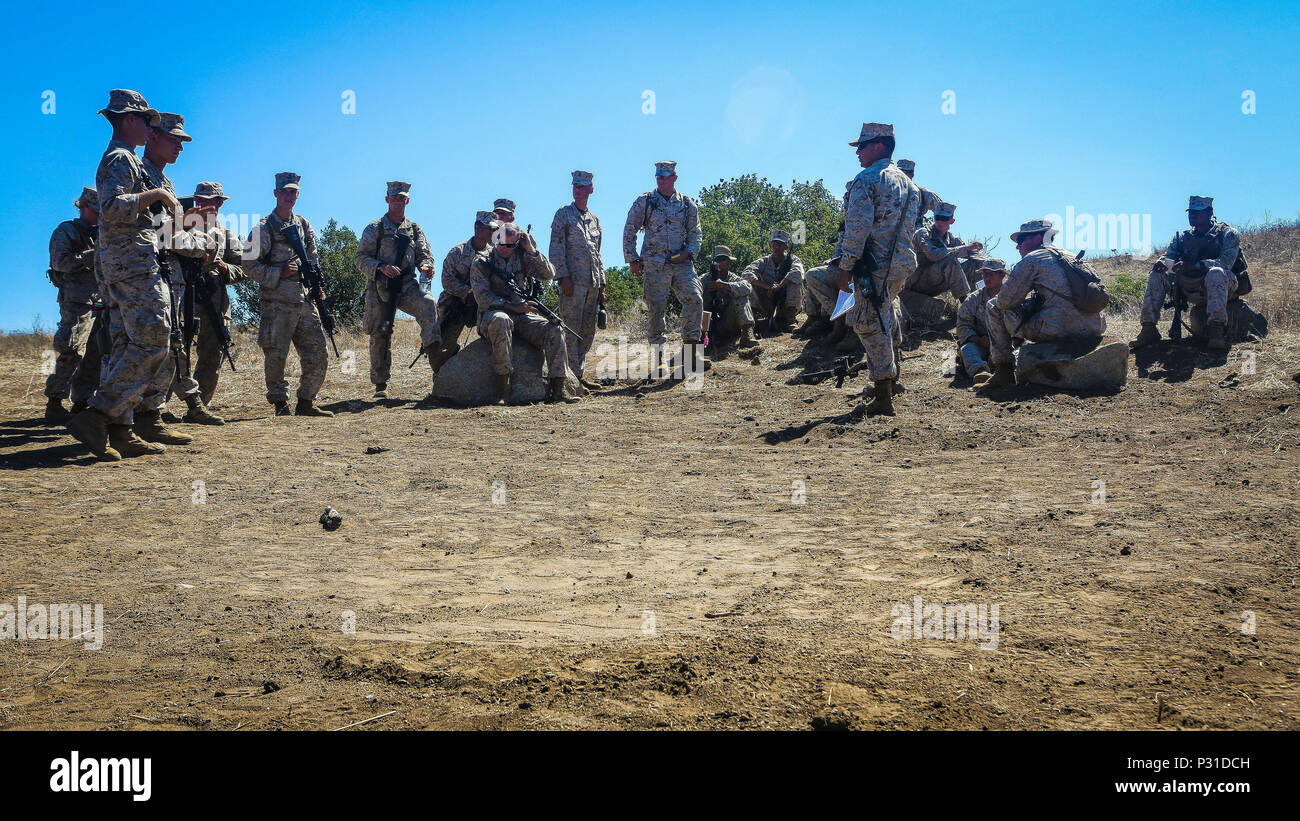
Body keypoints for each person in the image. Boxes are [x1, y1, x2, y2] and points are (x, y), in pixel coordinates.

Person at [67, 90, 186, 461]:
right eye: (146, 120)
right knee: (154, 337)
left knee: (124, 342)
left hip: (122, 265)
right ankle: (98, 414)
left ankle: (120, 429)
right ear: (130, 120)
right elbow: (112, 207)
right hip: (131, 264)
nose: (151, 127)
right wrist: (156, 196)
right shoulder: (121, 158)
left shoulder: (127, 159)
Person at [142, 112, 223, 427]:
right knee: (151, 344)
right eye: (173, 140)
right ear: (152, 136)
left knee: (174, 341)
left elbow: (170, 229)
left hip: (173, 278)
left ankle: (158, 410)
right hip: (147, 274)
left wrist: (193, 229)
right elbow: (160, 233)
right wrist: (198, 242)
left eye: (182, 141)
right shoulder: (142, 175)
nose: (180, 147)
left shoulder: (164, 182)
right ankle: (114, 413)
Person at [835, 122, 920, 416]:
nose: (857, 153)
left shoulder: (867, 179)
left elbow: (856, 230)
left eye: (862, 146)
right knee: (887, 313)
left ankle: (883, 393)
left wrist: (845, 268)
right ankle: (893, 379)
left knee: (868, 322)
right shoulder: (911, 185)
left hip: (874, 267)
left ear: (880, 146)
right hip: (901, 265)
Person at [243, 172, 333, 417]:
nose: (289, 196)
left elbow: (313, 260)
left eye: (293, 192)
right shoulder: (263, 228)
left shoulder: (304, 225)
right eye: (284, 191)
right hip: (277, 302)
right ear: (275, 193)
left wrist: (317, 286)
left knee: (318, 352)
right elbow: (248, 265)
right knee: (276, 355)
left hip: (304, 300)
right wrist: (278, 272)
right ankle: (280, 404)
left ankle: (306, 401)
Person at [982, 219, 1106, 389]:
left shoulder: (1033, 259)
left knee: (993, 306)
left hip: (1058, 328)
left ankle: (1004, 370)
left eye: (1020, 241)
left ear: (1037, 238)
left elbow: (1005, 301)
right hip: (1094, 326)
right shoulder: (1072, 256)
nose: (1017, 247)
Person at [470, 223, 575, 405]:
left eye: (510, 245)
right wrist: (511, 306)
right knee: (501, 320)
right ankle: (503, 388)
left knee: (555, 329)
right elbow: (483, 297)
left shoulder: (523, 257)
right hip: (492, 315)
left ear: (518, 243)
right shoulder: (482, 261)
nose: (504, 248)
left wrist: (531, 250)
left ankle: (558, 389)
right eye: (500, 243)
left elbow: (549, 274)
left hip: (522, 316)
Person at [355, 181, 441, 399]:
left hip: (406, 284)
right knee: (380, 332)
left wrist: (426, 267)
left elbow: (425, 254)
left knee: (428, 304)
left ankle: (436, 359)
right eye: (394, 197)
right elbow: (360, 258)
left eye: (402, 198)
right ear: (387, 199)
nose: (398, 201)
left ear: (408, 200)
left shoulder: (414, 229)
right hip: (380, 287)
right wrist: (381, 267)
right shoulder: (375, 228)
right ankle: (380, 385)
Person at [622, 161, 705, 379]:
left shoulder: (687, 204)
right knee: (656, 310)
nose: (661, 179)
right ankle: (659, 362)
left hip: (682, 264)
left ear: (674, 178)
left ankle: (691, 355)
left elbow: (695, 232)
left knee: (695, 298)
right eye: (658, 176)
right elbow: (629, 229)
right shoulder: (646, 201)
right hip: (655, 264)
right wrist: (632, 259)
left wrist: (689, 252)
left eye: (666, 176)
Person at [1131, 195, 1243, 352]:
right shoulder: (1183, 238)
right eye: (1190, 212)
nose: (1192, 216)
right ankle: (1148, 328)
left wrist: (1195, 266)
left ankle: (1216, 330)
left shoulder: (1228, 234)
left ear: (1210, 212)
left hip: (1223, 285)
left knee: (1216, 272)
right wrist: (1162, 263)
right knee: (1157, 274)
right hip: (1191, 285)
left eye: (1197, 212)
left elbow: (1225, 263)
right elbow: (1169, 257)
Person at [43, 187, 103, 423]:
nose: (99, 216)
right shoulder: (66, 230)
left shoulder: (100, 233)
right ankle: (55, 401)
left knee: (96, 352)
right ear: (84, 208)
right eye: (96, 211)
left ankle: (82, 401)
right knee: (72, 348)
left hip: (100, 300)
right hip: (76, 299)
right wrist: (95, 254)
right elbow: (60, 262)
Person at [185, 182, 245, 409]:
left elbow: (243, 270)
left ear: (220, 203)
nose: (204, 205)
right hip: (186, 297)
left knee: (213, 353)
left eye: (210, 200)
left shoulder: (227, 235)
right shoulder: (184, 228)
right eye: (200, 200)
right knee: (174, 350)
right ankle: (155, 407)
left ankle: (199, 407)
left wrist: (222, 267)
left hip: (216, 299)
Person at [550, 170, 605, 389]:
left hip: (592, 284)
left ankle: (579, 376)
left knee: (587, 331)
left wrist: (602, 284)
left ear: (591, 189)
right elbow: (556, 248)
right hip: (572, 283)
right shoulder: (563, 214)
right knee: (570, 330)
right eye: (575, 185)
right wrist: (563, 277)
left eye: (582, 186)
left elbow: (598, 254)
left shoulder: (595, 219)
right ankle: (569, 379)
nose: (577, 189)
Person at [429, 210, 498, 370]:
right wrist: (466, 292)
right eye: (490, 229)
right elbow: (446, 280)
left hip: (482, 303)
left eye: (494, 229)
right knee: (444, 338)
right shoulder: (458, 252)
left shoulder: (493, 255)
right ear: (477, 228)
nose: (492, 233)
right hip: (456, 303)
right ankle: (442, 375)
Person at [900, 201, 982, 329]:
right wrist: (964, 249)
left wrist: (984, 260)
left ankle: (979, 301)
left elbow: (969, 253)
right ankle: (967, 308)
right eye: (937, 217)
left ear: (951, 221)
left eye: (944, 218)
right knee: (950, 261)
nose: (940, 221)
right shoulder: (923, 233)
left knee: (974, 263)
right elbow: (934, 254)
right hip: (916, 282)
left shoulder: (952, 239)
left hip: (934, 282)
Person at [954, 258, 1007, 386]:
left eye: (991, 274)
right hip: (981, 345)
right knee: (967, 349)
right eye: (984, 274)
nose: (986, 277)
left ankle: (1003, 372)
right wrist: (978, 340)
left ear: (1002, 275)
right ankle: (981, 373)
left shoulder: (1014, 296)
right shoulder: (974, 298)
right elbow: (962, 325)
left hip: (1006, 345)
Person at [742, 229, 804, 333]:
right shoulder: (763, 261)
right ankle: (752, 322)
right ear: (770, 245)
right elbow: (746, 273)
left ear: (786, 247)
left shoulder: (793, 259)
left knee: (795, 281)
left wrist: (779, 286)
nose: (777, 247)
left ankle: (791, 320)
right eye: (775, 244)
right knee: (747, 284)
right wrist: (767, 287)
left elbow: (798, 273)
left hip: (787, 303)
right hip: (767, 302)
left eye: (780, 244)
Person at [701, 245, 756, 351]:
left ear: (729, 262)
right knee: (698, 298)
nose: (719, 263)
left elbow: (747, 287)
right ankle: (701, 339)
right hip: (708, 326)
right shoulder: (705, 279)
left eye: (722, 260)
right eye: (716, 260)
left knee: (740, 295)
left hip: (728, 323)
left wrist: (725, 286)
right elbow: (692, 292)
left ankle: (747, 334)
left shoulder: (734, 278)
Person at [896, 159, 942, 228]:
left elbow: (943, 211)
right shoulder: (889, 190)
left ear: (912, 174)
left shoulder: (924, 194)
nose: (901, 175)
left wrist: (931, 232)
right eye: (899, 172)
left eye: (905, 172)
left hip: (913, 236)